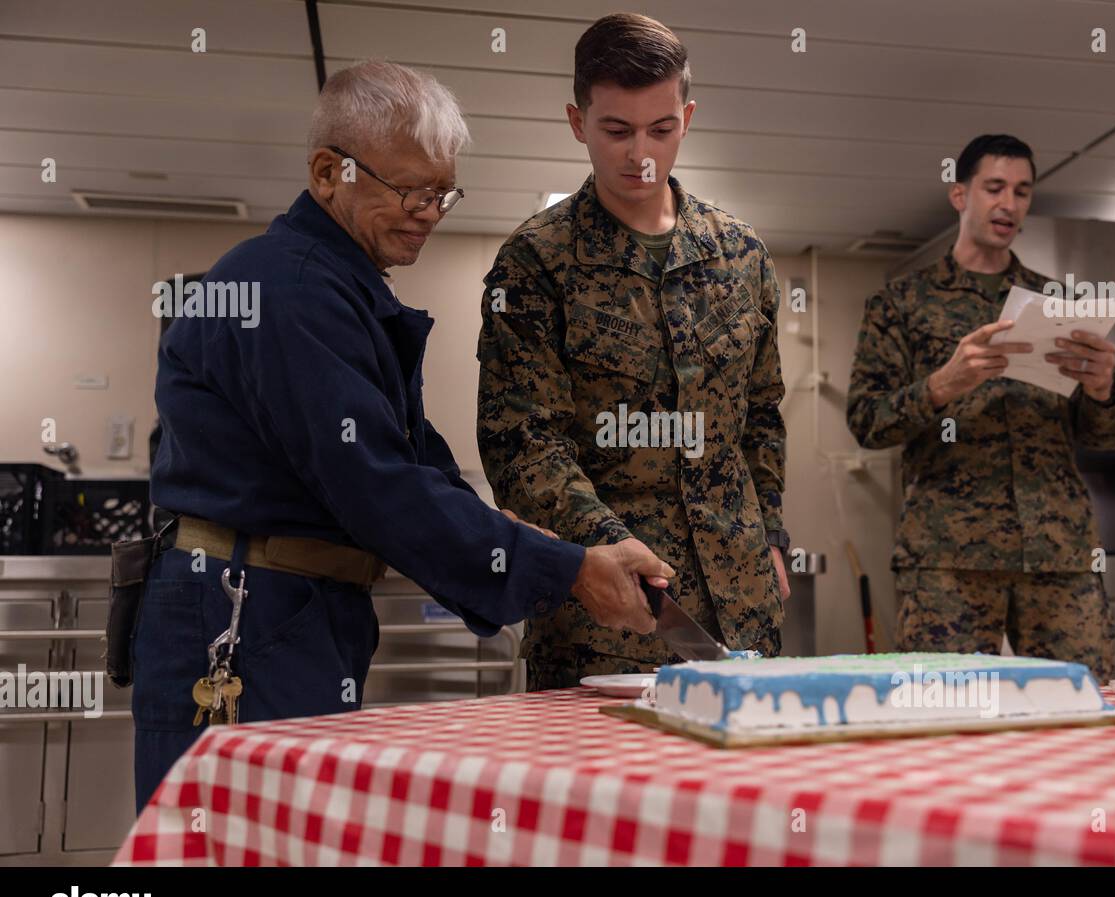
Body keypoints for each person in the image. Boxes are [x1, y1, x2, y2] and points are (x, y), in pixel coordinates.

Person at [134, 60, 671, 812]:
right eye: (411, 190)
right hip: (244, 611)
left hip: (297, 608)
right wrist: (568, 569)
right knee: (237, 839)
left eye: (443, 193)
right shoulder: (285, 290)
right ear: (330, 172)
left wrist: (507, 533)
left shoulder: (340, 288)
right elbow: (378, 483)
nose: (429, 211)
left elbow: (414, 458)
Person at [476, 14, 788, 689]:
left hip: (742, 611)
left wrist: (772, 538)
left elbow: (761, 415)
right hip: (606, 621)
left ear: (688, 116)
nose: (640, 154)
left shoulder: (741, 253)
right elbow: (522, 442)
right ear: (576, 120)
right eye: (616, 130)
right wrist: (607, 546)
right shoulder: (536, 262)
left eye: (661, 129)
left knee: (745, 795)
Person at [845, 134, 1115, 680]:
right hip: (948, 556)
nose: (1009, 204)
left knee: (1080, 707)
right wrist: (941, 385)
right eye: (995, 188)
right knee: (943, 710)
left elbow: (1109, 433)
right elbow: (866, 420)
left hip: (1059, 551)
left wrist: (1102, 389)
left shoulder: (1058, 305)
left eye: (1022, 192)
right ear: (960, 195)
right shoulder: (899, 304)